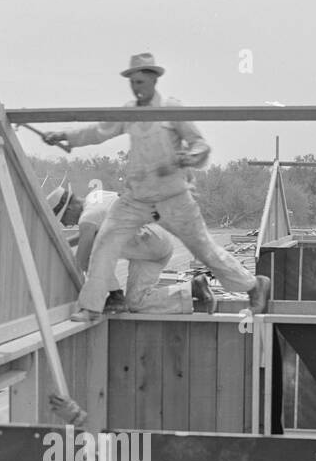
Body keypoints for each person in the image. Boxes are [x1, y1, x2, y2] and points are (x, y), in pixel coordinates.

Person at [41, 53, 269, 321]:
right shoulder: (130, 113)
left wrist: (190, 157)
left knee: (204, 249)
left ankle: (253, 285)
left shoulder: (172, 110)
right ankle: (92, 307)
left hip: (173, 197)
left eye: (140, 82)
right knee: (106, 245)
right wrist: (65, 136)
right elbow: (97, 132)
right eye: (132, 82)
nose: (136, 88)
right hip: (136, 199)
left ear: (154, 80)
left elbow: (200, 145)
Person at [48, 180, 204, 313]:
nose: (66, 224)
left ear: (69, 208)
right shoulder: (95, 198)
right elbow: (86, 235)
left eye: (63, 220)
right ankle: (193, 289)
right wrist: (61, 244)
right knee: (136, 302)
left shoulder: (88, 218)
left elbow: (81, 261)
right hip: (156, 241)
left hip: (148, 238)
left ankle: (115, 295)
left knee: (90, 251)